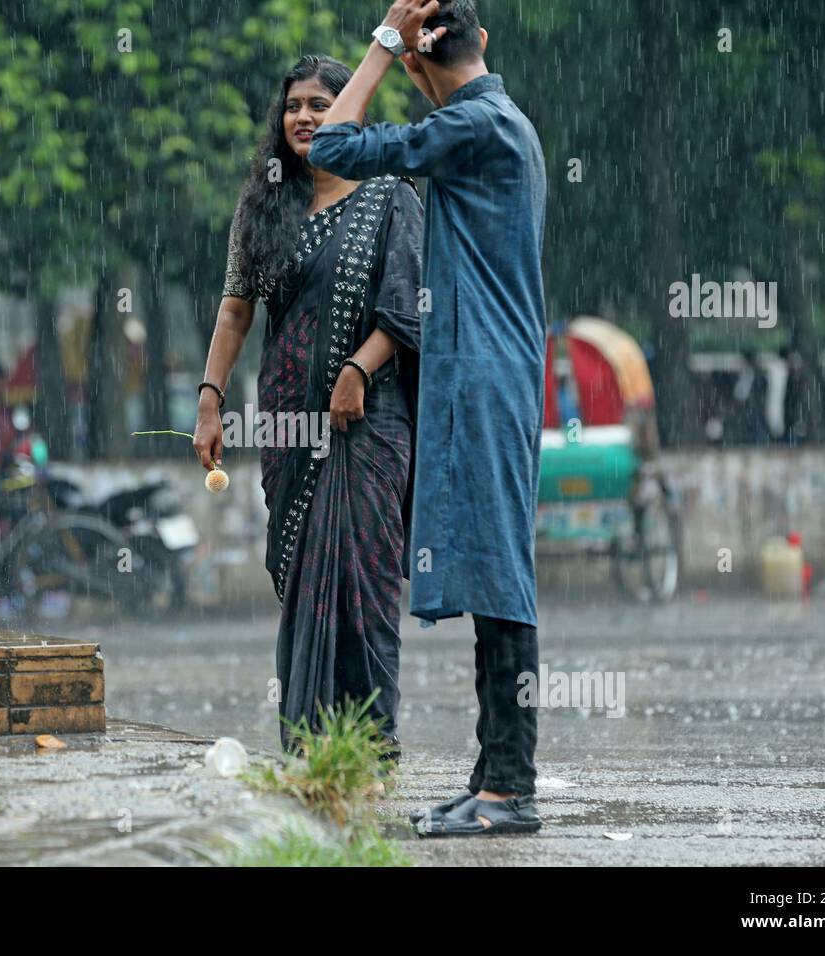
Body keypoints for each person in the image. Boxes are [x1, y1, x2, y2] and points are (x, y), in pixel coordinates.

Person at [308, 0, 547, 835]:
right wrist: (417, 57)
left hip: (483, 374)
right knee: (489, 569)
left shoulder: (475, 128)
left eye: (415, 59)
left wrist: (379, 48)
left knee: (502, 579)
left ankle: (510, 790)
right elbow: (431, 104)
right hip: (493, 372)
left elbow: (331, 145)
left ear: (429, 52)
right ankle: (492, 776)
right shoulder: (496, 119)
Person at [193, 54, 424, 763]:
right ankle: (309, 743)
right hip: (289, 423)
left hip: (372, 422)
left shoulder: (391, 195)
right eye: (293, 105)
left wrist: (359, 366)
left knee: (366, 573)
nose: (303, 116)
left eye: (321, 104)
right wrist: (209, 401)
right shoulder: (263, 203)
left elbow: (411, 304)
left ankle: (372, 742)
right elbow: (235, 313)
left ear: (347, 113)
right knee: (301, 571)